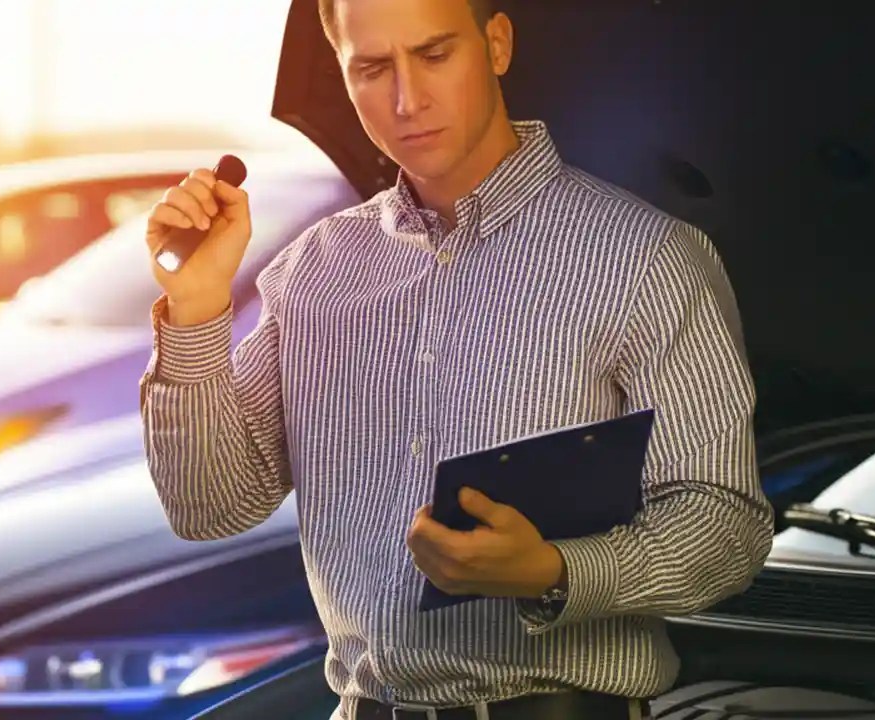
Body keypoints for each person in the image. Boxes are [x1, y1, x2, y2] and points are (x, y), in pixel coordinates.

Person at [138, 0, 774, 717]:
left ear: (496, 44)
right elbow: (208, 508)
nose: (408, 100)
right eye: (373, 68)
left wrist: (555, 571)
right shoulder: (310, 273)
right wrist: (195, 309)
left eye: (435, 55)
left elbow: (727, 525)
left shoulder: (646, 258)